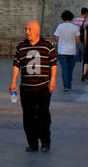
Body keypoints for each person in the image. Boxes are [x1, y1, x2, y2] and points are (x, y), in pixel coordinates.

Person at [9, 20, 57, 152]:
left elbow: (53, 64)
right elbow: (16, 65)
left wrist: (52, 81)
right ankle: (32, 142)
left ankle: (45, 141)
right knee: (28, 116)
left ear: (37, 31)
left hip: (43, 88)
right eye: (26, 29)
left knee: (43, 115)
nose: (27, 32)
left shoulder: (47, 46)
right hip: (26, 87)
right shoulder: (21, 46)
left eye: (29, 29)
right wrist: (13, 82)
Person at [52, 10, 81, 89]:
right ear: (71, 17)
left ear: (63, 17)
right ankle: (69, 83)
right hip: (72, 51)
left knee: (64, 69)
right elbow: (78, 39)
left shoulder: (60, 26)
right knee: (70, 69)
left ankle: (66, 86)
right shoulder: (75, 27)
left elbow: (56, 38)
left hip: (62, 51)